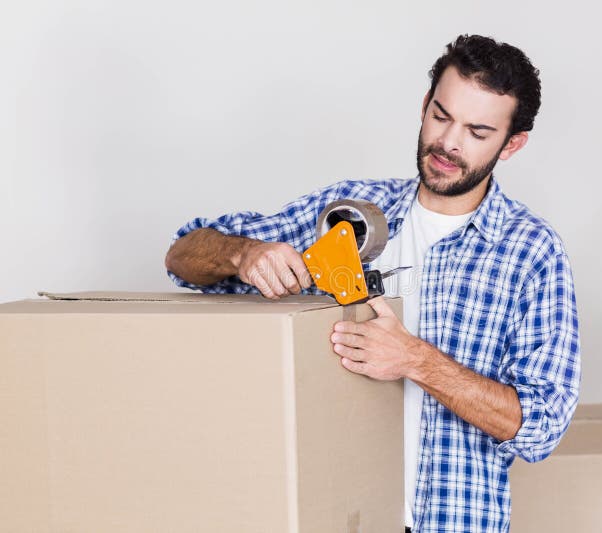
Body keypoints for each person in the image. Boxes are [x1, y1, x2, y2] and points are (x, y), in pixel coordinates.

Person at [165, 34, 580, 533]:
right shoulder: (349, 211)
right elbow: (182, 255)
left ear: (511, 144)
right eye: (442, 116)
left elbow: (540, 427)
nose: (449, 143)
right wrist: (242, 253)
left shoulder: (531, 252)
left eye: (477, 131)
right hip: (335, 517)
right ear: (425, 104)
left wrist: (414, 360)